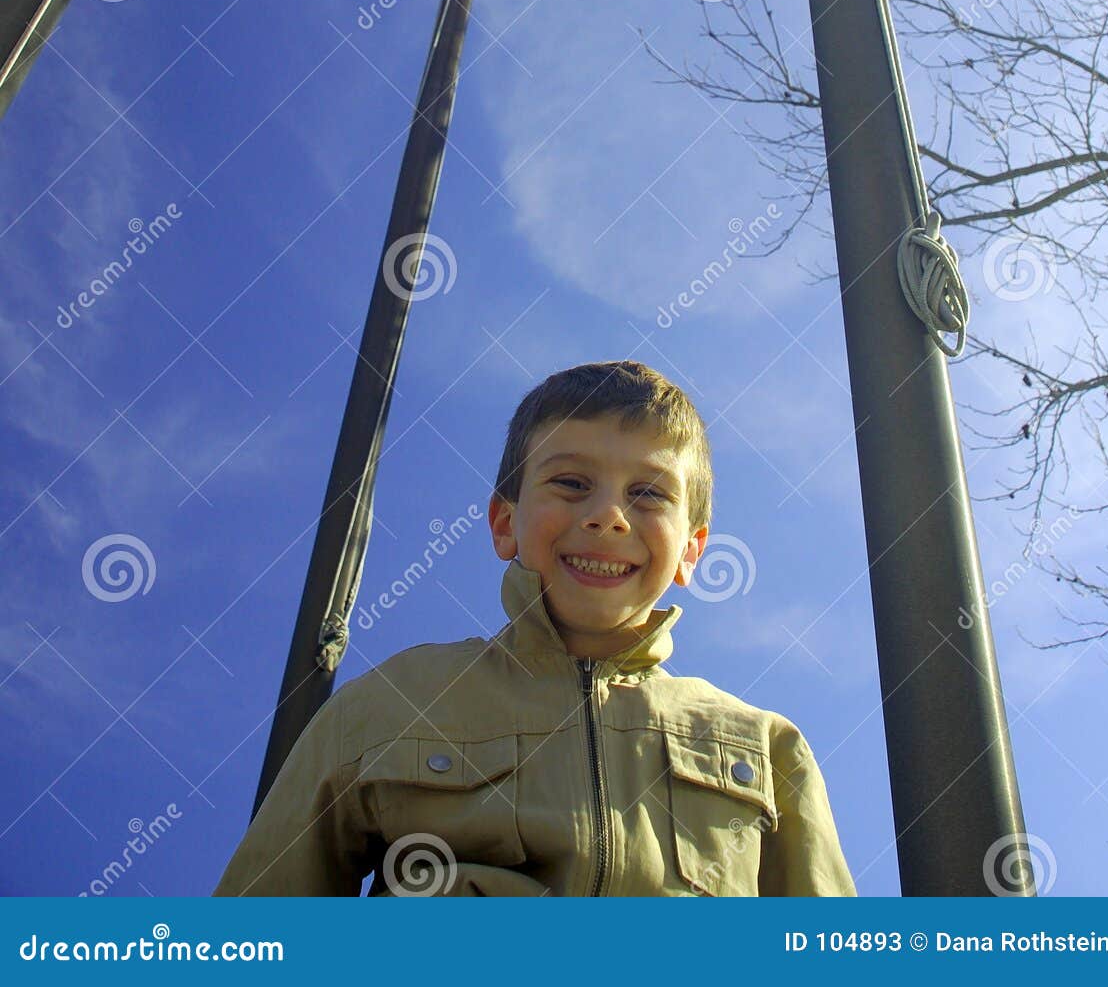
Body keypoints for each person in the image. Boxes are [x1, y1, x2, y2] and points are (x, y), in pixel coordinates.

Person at [213, 360, 856, 896]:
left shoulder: (766, 749)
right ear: (503, 523)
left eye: (649, 494)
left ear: (692, 549)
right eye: (571, 483)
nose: (607, 515)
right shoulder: (392, 704)